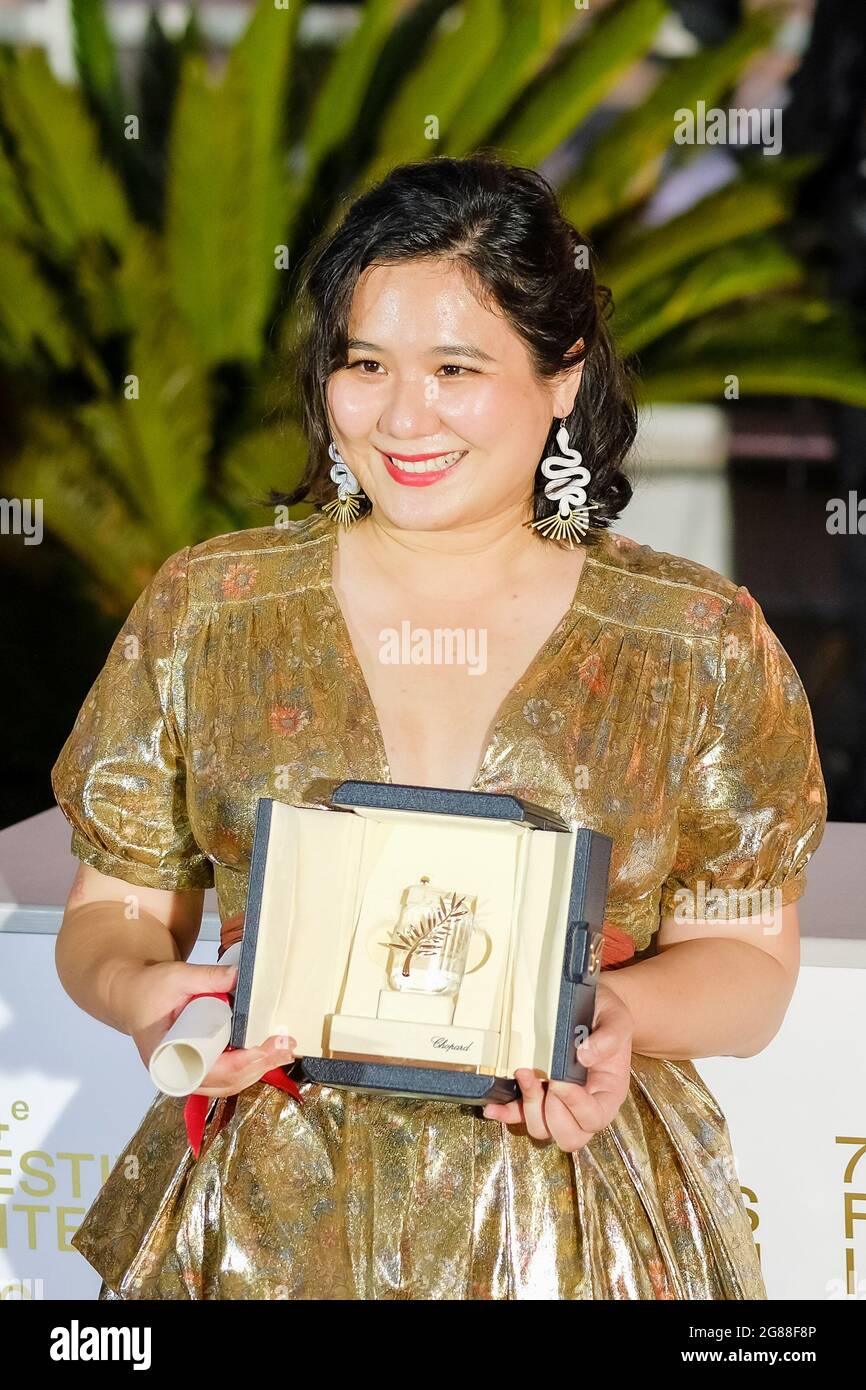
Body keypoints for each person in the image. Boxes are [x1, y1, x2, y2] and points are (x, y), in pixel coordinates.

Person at [51, 153, 827, 1300]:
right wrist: (144, 995)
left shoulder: (689, 639)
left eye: (454, 368)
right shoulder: (211, 609)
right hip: (266, 1221)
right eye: (363, 363)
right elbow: (111, 916)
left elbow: (750, 961)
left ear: (561, 374)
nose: (401, 414)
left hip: (571, 1220)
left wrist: (613, 1017)